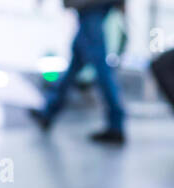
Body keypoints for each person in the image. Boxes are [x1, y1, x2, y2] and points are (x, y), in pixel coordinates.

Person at [29, 0, 128, 144]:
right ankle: (48, 112)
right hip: (92, 6)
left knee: (100, 66)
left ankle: (116, 123)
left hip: (91, 6)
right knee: (76, 63)